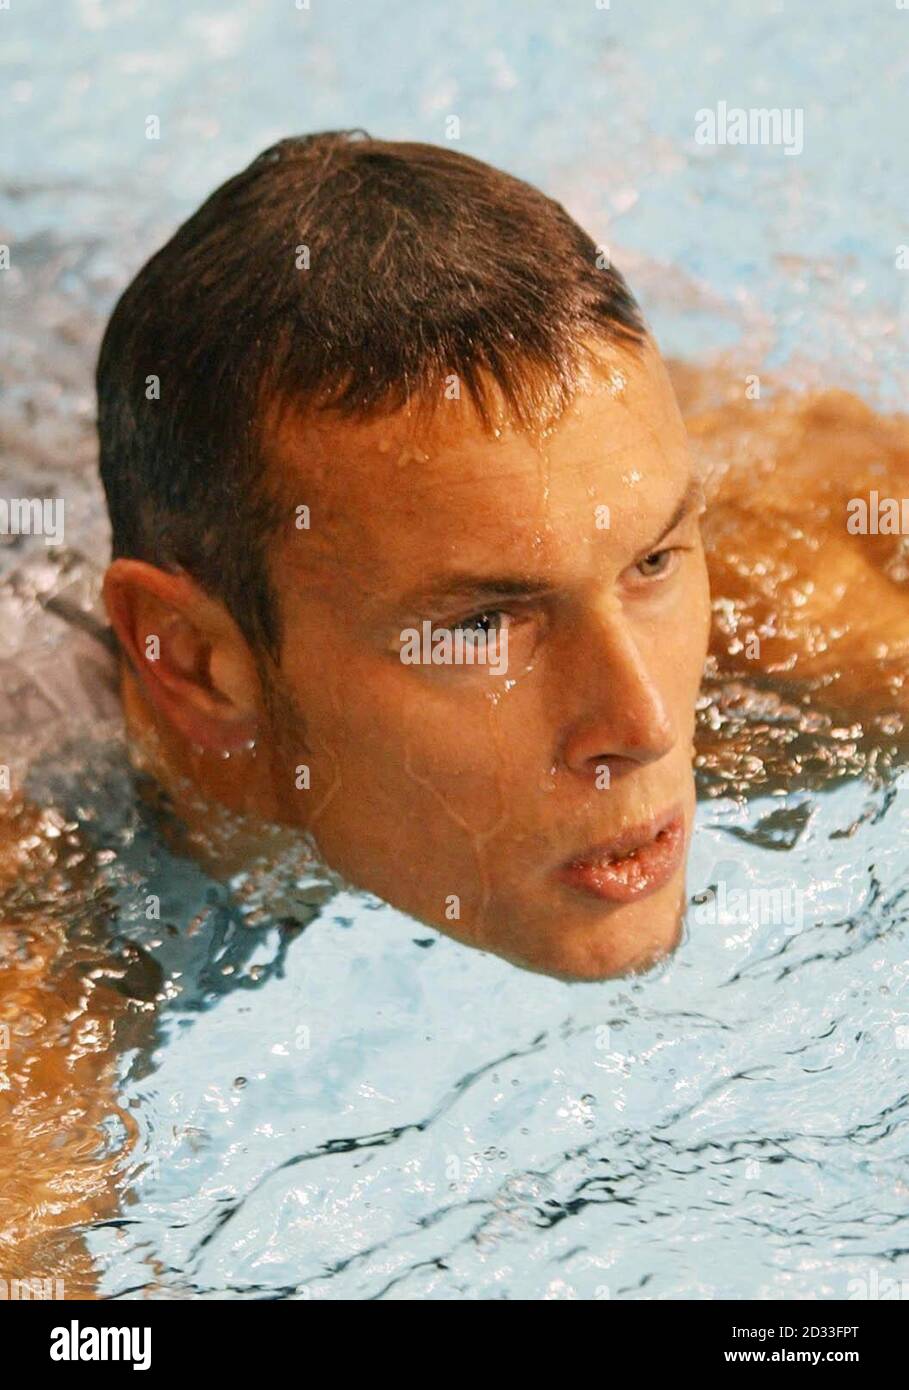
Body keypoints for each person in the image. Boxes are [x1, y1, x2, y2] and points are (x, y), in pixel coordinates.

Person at [95, 130, 909, 984]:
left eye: (654, 563)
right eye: (482, 625)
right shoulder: (46, 878)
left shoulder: (781, 616)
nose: (646, 727)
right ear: (194, 664)